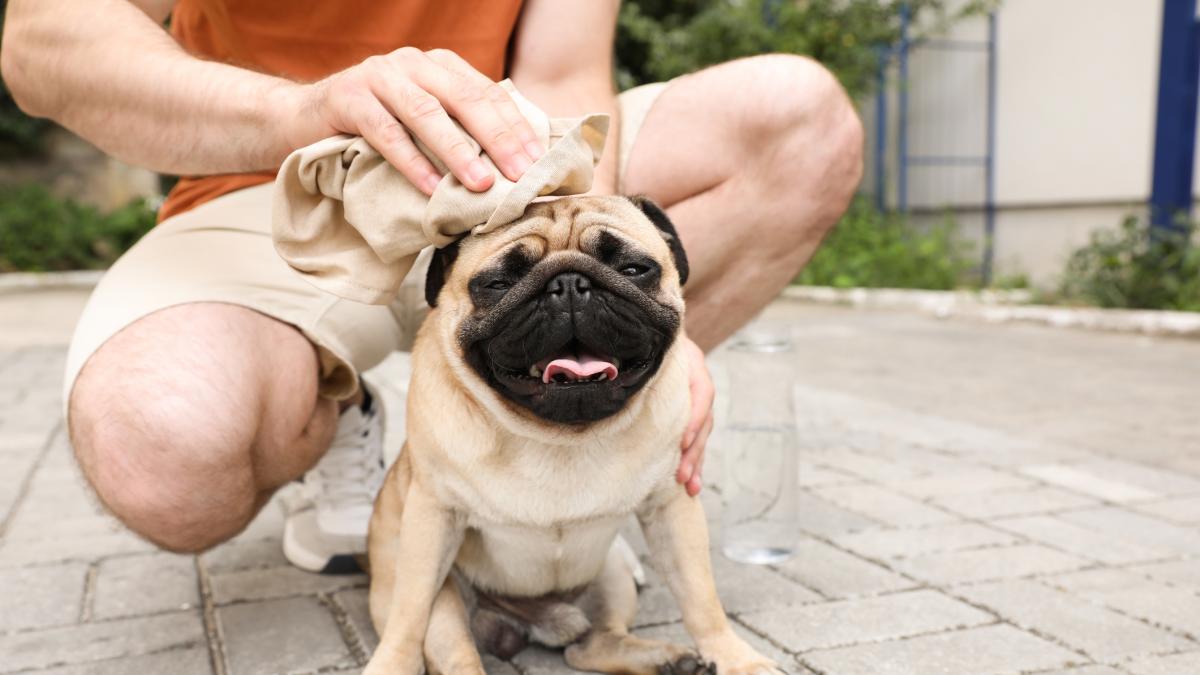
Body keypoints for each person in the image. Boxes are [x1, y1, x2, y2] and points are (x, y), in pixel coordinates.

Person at [1, 0, 863, 571]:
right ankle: (342, 408)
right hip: (266, 181)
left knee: (801, 120)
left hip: (502, 174)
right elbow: (44, 43)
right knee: (162, 456)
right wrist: (302, 112)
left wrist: (613, 306)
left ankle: (577, 448)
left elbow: (561, 76)